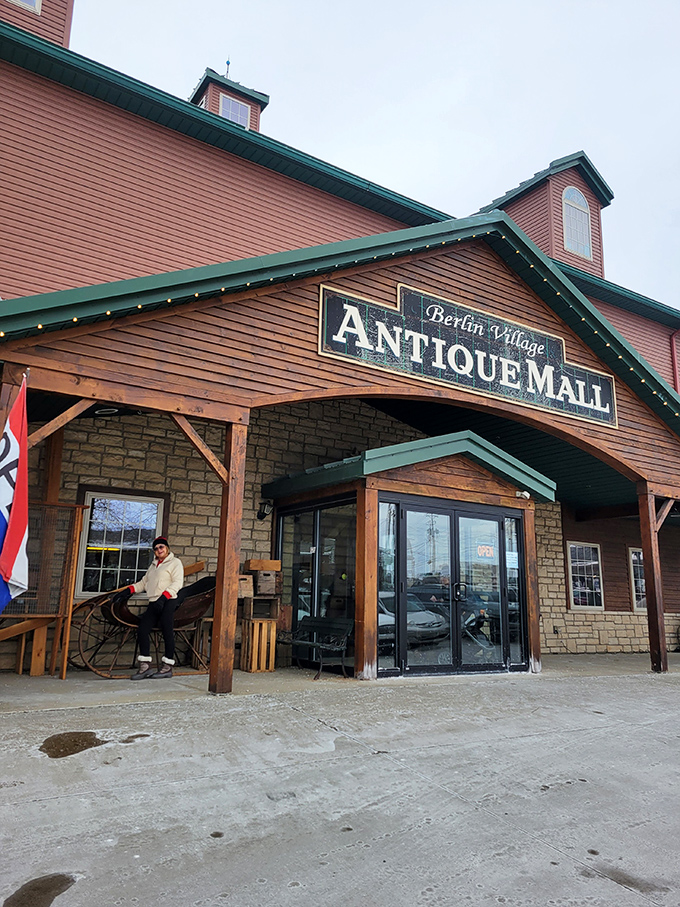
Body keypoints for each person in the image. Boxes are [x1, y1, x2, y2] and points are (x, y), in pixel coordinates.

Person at [113, 536, 184, 679]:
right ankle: (145, 666)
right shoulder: (153, 566)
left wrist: (164, 597)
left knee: (167, 630)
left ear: (167, 548)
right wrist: (127, 591)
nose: (159, 550)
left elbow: (177, 583)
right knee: (143, 629)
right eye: (156, 549)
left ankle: (167, 667)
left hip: (168, 601)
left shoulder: (175, 563)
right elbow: (143, 583)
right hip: (154, 602)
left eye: (161, 547)